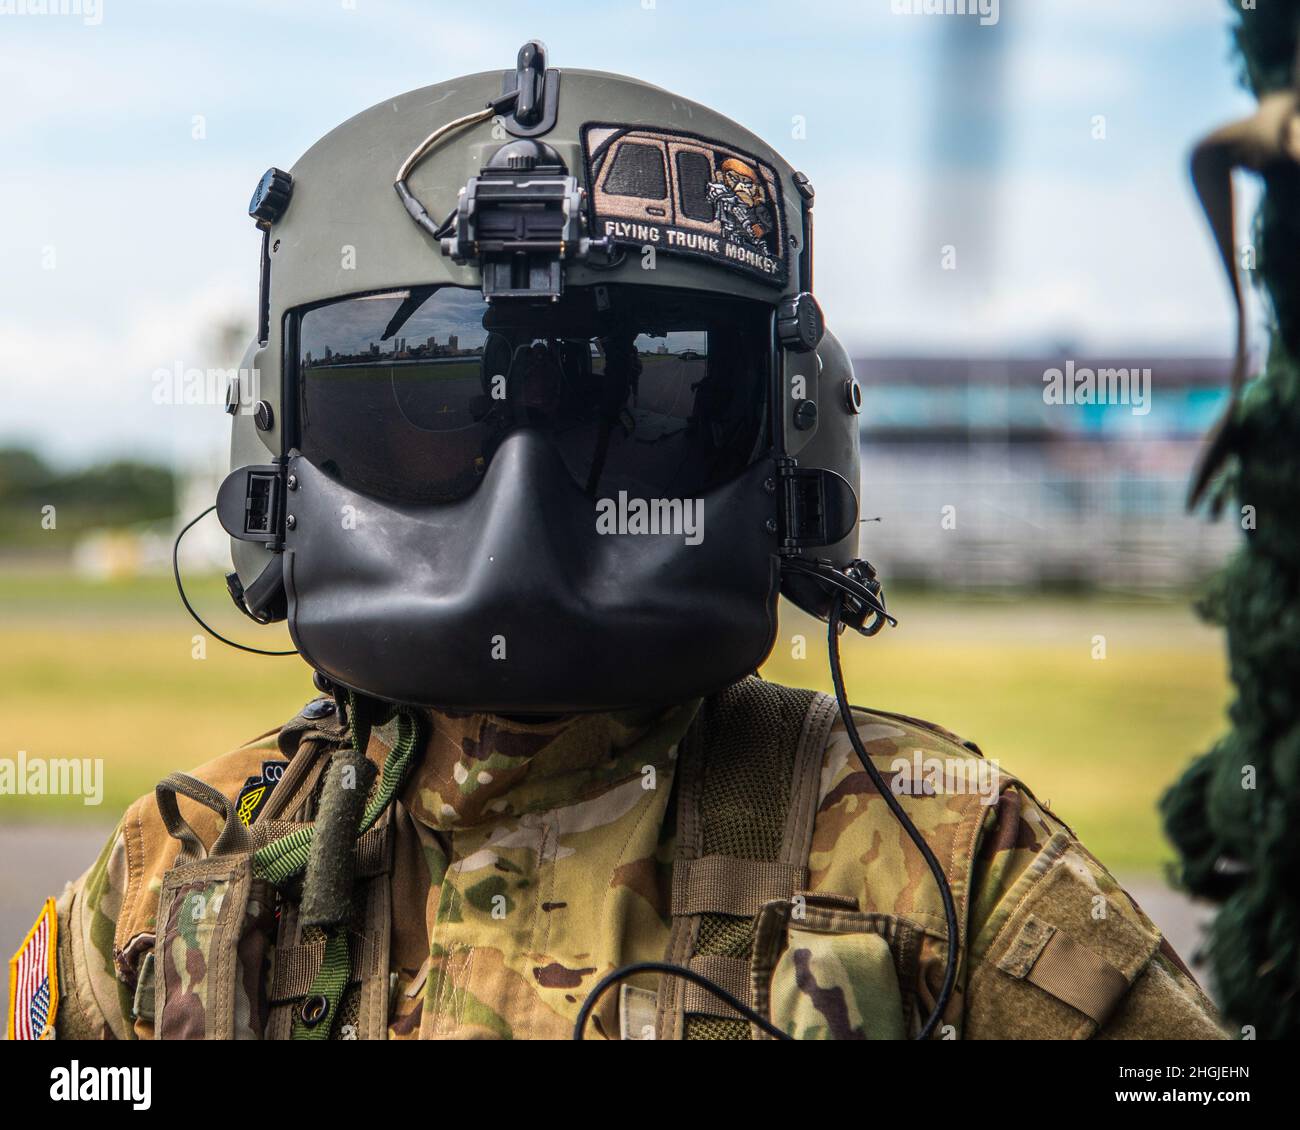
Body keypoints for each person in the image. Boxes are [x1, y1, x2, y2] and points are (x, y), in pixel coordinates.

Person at [11, 43, 1224, 1042]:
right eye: (440, 394)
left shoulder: (939, 854)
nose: (526, 490)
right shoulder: (180, 881)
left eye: (629, 399)